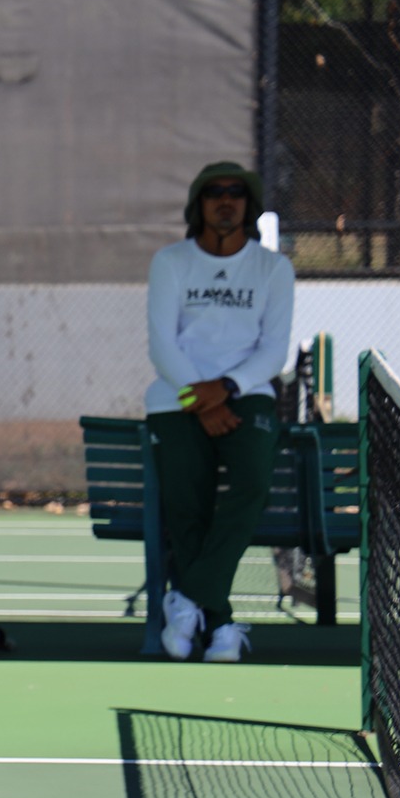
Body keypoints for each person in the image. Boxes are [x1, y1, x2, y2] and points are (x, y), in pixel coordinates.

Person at [144, 162, 295, 662]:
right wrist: (199, 400)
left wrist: (226, 389)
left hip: (245, 394)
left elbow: (274, 351)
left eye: (236, 192)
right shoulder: (170, 262)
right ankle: (222, 624)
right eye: (214, 192)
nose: (225, 200)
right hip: (177, 396)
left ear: (249, 206)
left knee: (252, 482)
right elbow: (162, 345)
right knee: (187, 506)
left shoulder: (274, 269)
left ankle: (186, 601)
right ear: (199, 205)